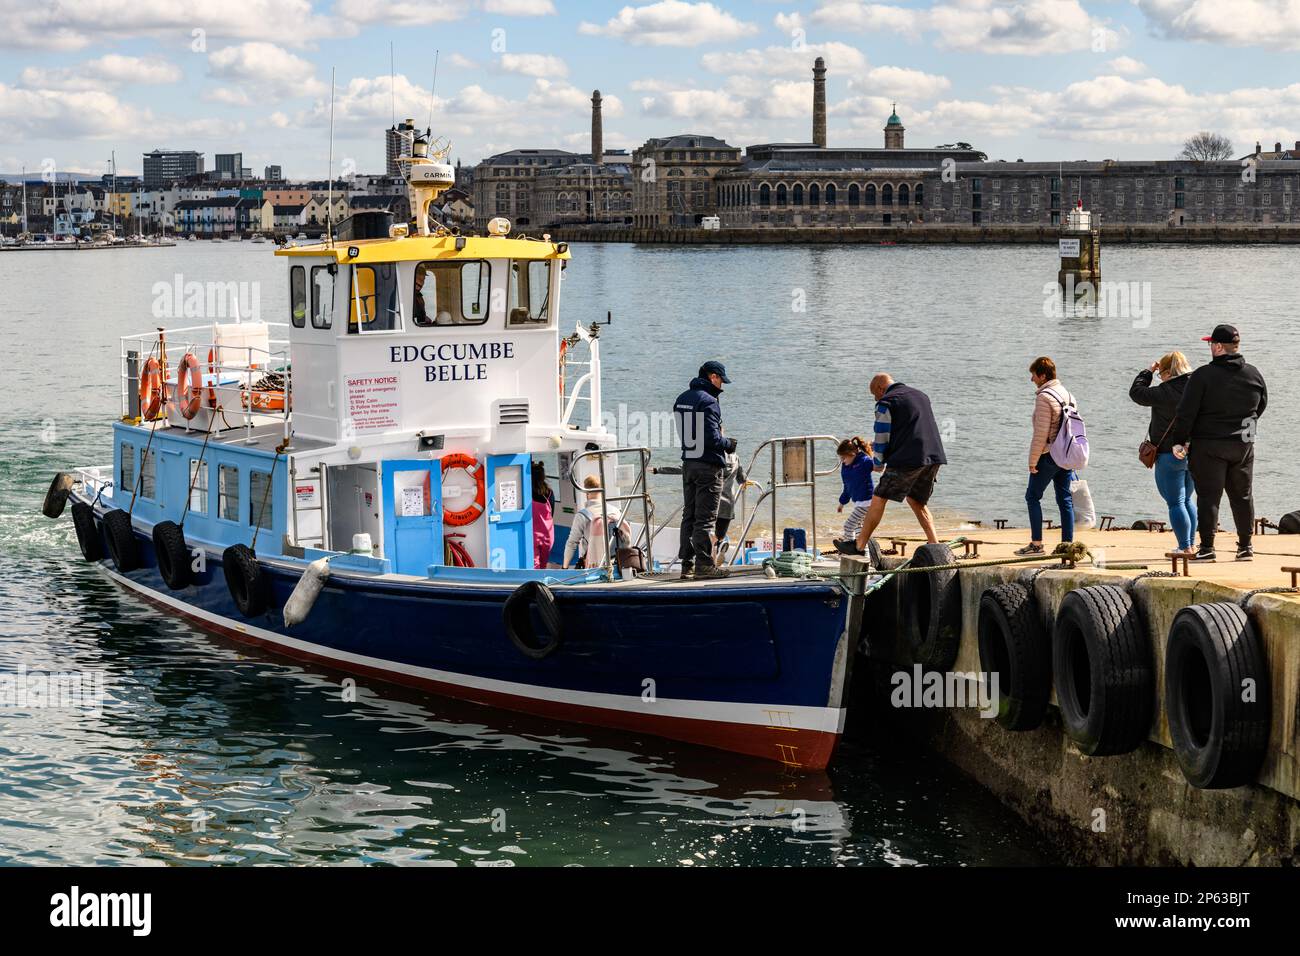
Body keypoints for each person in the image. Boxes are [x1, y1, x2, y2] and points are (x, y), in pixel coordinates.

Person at [1169, 324, 1267, 561]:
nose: (1210, 347)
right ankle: (1245, 547)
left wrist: (1179, 441)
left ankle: (1208, 548)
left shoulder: (1202, 375)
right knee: (1243, 495)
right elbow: (1261, 405)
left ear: (1219, 346)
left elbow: (1186, 413)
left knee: (1208, 497)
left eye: (1211, 343)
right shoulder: (1254, 374)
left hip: (1209, 445)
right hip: (1243, 444)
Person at [835, 374, 946, 558]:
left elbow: (882, 436)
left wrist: (878, 463)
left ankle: (859, 545)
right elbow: (913, 428)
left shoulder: (886, 402)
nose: (875, 398)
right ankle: (934, 544)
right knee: (916, 500)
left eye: (874, 394)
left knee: (879, 497)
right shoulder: (921, 395)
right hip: (933, 455)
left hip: (907, 459)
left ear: (880, 388)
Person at [673, 360, 737, 579]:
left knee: (688, 516)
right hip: (708, 466)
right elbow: (711, 438)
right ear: (712, 377)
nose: (722, 386)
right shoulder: (709, 401)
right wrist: (729, 444)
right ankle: (705, 566)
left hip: (688, 464)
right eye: (721, 381)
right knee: (706, 518)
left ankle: (686, 565)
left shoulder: (681, 399)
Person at [1129, 351, 1197, 553]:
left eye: (1161, 374)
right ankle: (1192, 544)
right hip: (1193, 453)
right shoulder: (1196, 388)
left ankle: (1184, 547)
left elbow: (1136, 392)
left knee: (1175, 502)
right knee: (1187, 500)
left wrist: (1148, 371)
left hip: (1168, 454)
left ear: (1167, 373)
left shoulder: (1164, 391)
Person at [1014, 357, 1076, 556]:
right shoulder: (1067, 394)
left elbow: (1041, 433)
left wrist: (1032, 461)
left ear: (1042, 375)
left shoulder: (1044, 397)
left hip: (1048, 455)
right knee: (1065, 499)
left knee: (1032, 497)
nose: (1031, 379)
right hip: (1066, 455)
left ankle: (1037, 544)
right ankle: (1067, 546)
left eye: (1033, 375)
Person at [562, 475, 631, 569]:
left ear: (586, 492)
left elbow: (572, 543)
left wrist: (564, 567)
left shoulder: (582, 515)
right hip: (619, 563)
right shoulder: (616, 512)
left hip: (593, 566)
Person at [713, 450, 751, 565]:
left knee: (708, 532)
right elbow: (741, 479)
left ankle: (712, 557)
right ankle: (722, 542)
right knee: (720, 534)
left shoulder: (712, 456)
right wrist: (745, 481)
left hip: (712, 500)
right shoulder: (735, 458)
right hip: (728, 502)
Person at [835, 436, 875, 541]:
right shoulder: (845, 468)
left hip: (867, 502)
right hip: (859, 503)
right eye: (841, 458)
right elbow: (846, 488)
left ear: (852, 454)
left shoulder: (864, 461)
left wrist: (877, 448)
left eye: (844, 458)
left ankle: (850, 547)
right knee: (859, 529)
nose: (842, 461)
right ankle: (863, 552)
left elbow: (877, 466)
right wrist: (841, 503)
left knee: (848, 526)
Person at [531, 461, 555, 569]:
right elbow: (552, 512)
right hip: (548, 534)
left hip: (532, 534)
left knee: (535, 564)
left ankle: (535, 584)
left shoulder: (527, 493)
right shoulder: (549, 492)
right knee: (543, 564)